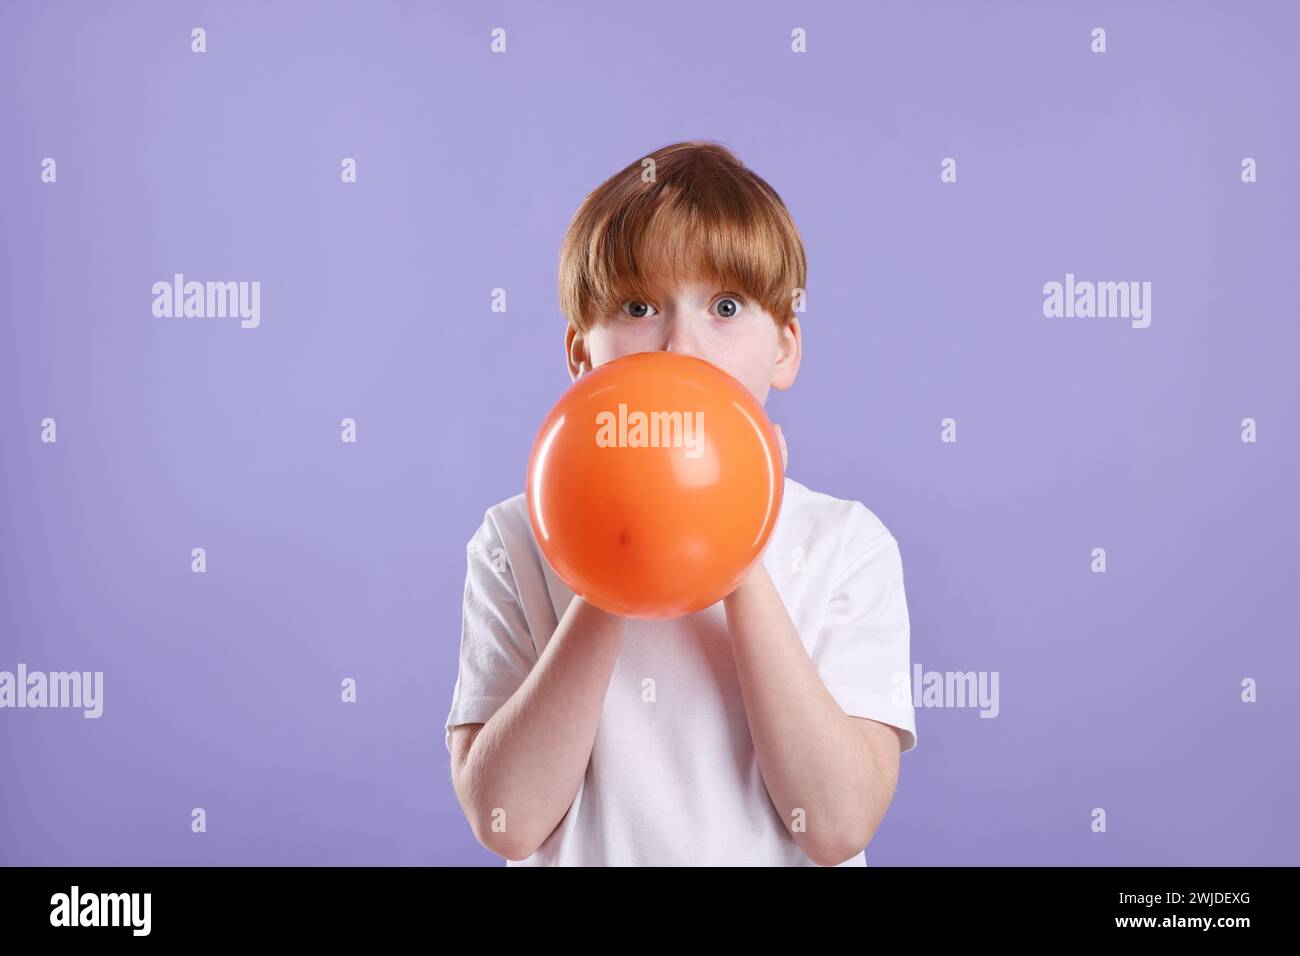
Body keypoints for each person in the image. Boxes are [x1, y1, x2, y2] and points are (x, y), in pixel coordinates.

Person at [445, 140, 917, 866]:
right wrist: (612, 553)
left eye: (725, 307)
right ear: (580, 356)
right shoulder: (513, 540)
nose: (680, 349)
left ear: (785, 350)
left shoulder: (847, 544)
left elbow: (838, 824)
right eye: (639, 307)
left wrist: (737, 538)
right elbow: (507, 818)